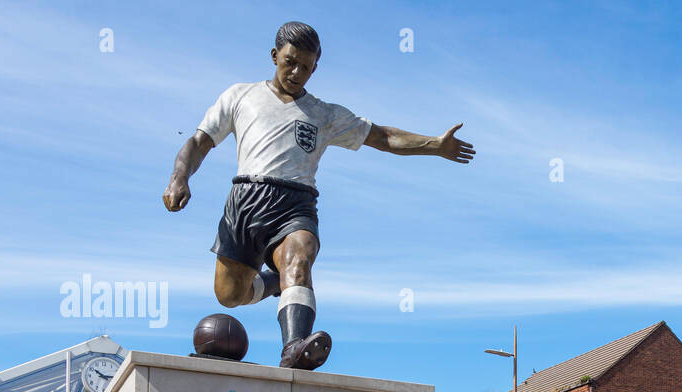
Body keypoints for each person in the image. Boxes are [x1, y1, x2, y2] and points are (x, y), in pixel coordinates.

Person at [163, 21, 474, 370]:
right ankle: (273, 284)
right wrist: (179, 177)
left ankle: (294, 348)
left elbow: (382, 137)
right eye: (290, 62)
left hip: (295, 202)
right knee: (230, 294)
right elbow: (198, 142)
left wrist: (435, 145)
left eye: (306, 68)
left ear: (315, 68)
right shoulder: (240, 96)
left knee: (300, 256)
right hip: (245, 201)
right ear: (274, 55)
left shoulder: (323, 114)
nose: (297, 73)